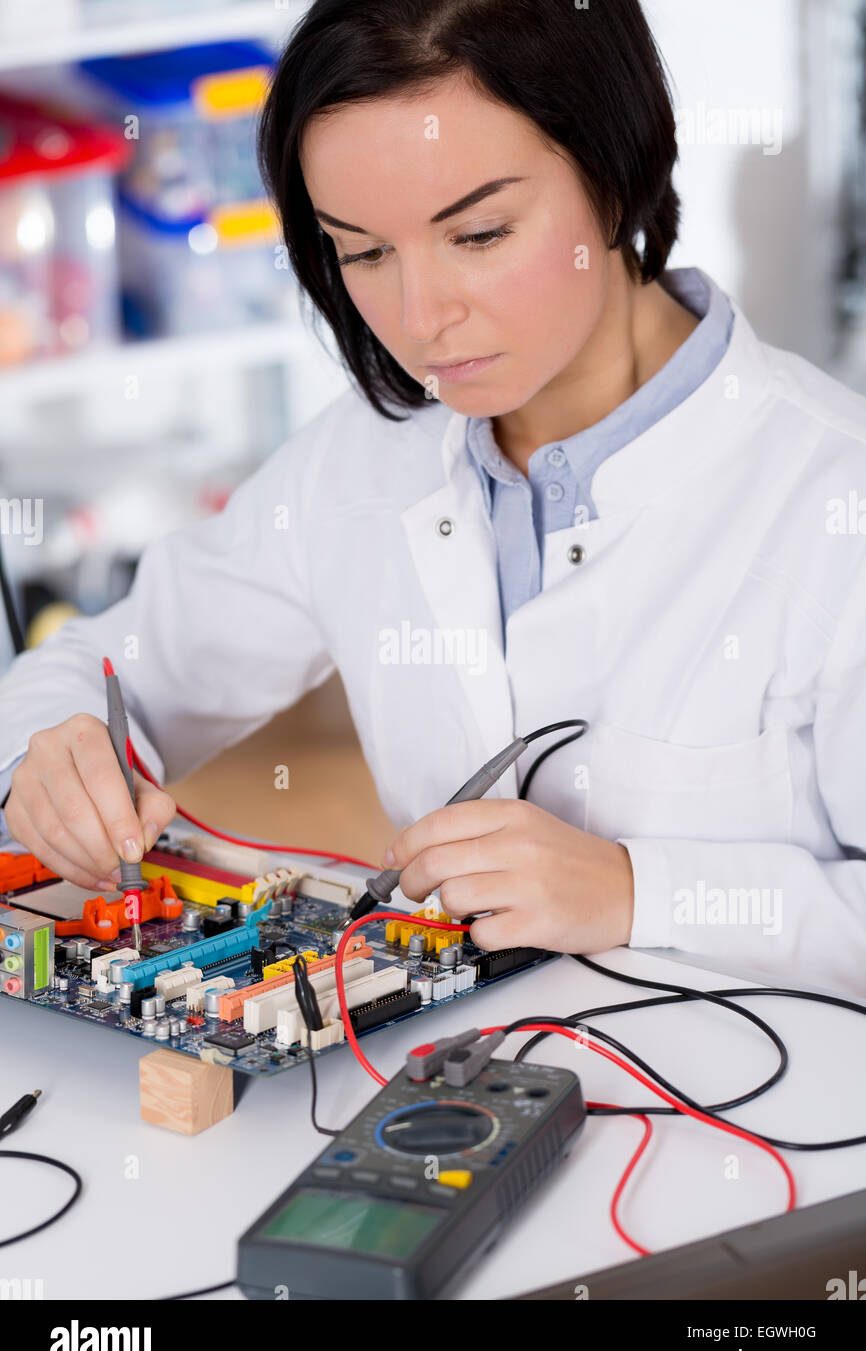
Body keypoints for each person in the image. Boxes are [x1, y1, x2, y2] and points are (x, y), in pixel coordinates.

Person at [1, 0, 865, 995]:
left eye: (479, 233)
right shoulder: (367, 459)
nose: (419, 319)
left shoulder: (828, 497)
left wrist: (640, 890)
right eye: (362, 252)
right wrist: (53, 746)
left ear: (616, 169)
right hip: (450, 1109)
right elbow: (102, 666)